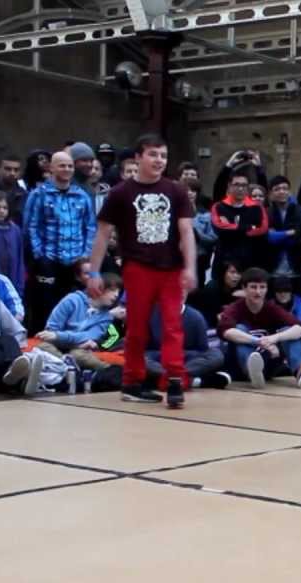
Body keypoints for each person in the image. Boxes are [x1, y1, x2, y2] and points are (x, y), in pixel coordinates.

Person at [88, 134, 197, 407]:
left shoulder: (176, 191)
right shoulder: (120, 193)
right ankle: (132, 383)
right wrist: (94, 271)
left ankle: (174, 380)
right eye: (153, 154)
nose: (159, 160)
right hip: (138, 267)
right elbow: (102, 234)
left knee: (173, 324)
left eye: (163, 155)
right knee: (136, 328)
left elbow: (186, 231)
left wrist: (191, 267)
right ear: (137, 157)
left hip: (171, 268)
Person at [24, 151, 96, 333]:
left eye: (70, 166)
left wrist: (85, 254)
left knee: (73, 305)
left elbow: (90, 227)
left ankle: (67, 342)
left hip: (75, 262)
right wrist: (39, 255)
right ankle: (39, 343)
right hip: (48, 260)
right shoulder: (38, 194)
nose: (67, 169)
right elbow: (31, 226)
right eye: (62, 165)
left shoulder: (82, 196)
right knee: (43, 306)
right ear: (51, 168)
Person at [217, 267, 301, 389]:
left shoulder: (272, 308)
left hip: (268, 364)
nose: (258, 292)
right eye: (253, 287)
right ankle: (252, 372)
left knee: (287, 331)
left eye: (262, 287)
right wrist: (258, 341)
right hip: (241, 367)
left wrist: (274, 338)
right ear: (244, 288)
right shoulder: (235, 308)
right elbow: (226, 331)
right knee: (239, 328)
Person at [36, 273, 123, 382]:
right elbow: (51, 330)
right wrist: (63, 338)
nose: (116, 295)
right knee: (42, 347)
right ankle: (69, 367)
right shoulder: (72, 300)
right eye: (112, 290)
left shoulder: (106, 317)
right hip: (57, 345)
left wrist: (59, 336)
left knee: (79, 355)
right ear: (99, 288)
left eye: (118, 292)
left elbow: (89, 336)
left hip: (77, 349)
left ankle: (67, 368)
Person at [146, 290, 229, 390]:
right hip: (159, 358)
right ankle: (191, 381)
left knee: (216, 355)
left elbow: (203, 350)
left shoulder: (196, 317)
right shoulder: (150, 314)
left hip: (187, 360)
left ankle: (171, 378)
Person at [0, 260, 41, 395]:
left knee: (8, 338)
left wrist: (20, 343)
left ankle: (16, 369)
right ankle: (20, 379)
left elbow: (13, 326)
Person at [210, 168, 270, 276]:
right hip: (224, 262)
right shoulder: (219, 207)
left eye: (244, 185)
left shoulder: (257, 208)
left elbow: (262, 229)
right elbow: (219, 229)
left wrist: (232, 227)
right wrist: (249, 227)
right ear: (229, 186)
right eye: (236, 185)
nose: (240, 188)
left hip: (251, 263)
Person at [263, 175, 301, 296]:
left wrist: (278, 235)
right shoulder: (266, 213)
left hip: (296, 268)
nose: (282, 191)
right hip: (272, 269)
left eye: (285, 188)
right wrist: (289, 233)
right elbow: (268, 238)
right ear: (271, 194)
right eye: (277, 189)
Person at [191, 260, 245, 328]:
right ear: (223, 273)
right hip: (203, 320)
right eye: (232, 272)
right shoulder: (212, 288)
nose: (236, 276)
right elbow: (212, 316)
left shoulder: (239, 290)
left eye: (239, 273)